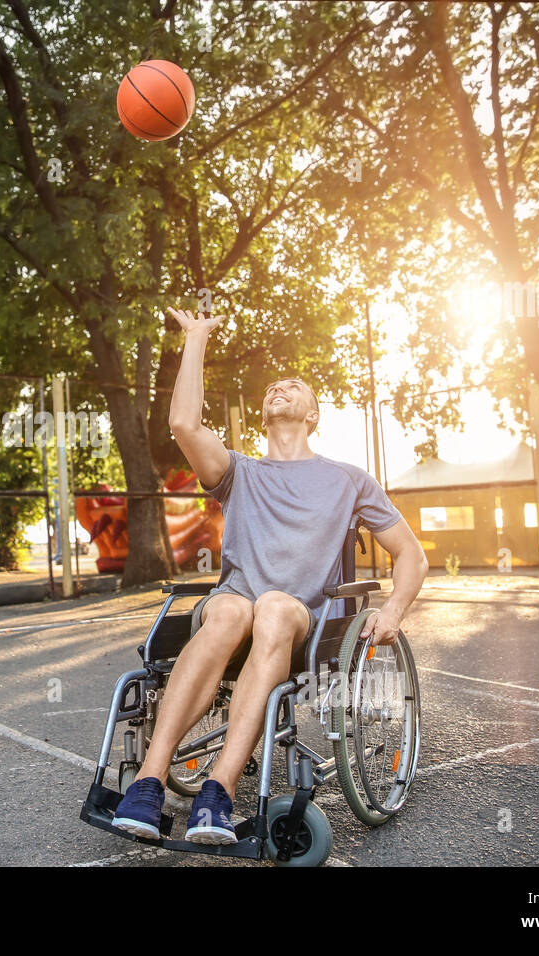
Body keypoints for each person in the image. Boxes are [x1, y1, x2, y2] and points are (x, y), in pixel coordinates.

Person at [112, 307, 429, 845]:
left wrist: (393, 610)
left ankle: (220, 789)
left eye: (294, 387)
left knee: (276, 606)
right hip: (234, 605)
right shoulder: (239, 472)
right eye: (273, 387)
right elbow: (184, 424)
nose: (280, 387)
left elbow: (411, 555)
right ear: (263, 414)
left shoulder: (348, 479)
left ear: (313, 414)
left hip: (297, 616)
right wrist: (195, 338)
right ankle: (147, 782)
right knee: (234, 607)